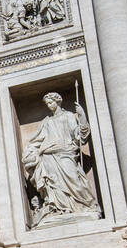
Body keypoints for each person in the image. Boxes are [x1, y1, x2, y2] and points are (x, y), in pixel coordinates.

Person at [22, 91, 100, 221]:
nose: (49, 105)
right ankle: (58, 208)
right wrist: (30, 152)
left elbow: (79, 136)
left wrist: (82, 116)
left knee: (74, 180)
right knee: (54, 185)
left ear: (58, 101)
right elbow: (37, 140)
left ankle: (86, 205)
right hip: (48, 157)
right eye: (47, 103)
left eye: (51, 102)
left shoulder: (68, 116)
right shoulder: (46, 122)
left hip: (66, 154)